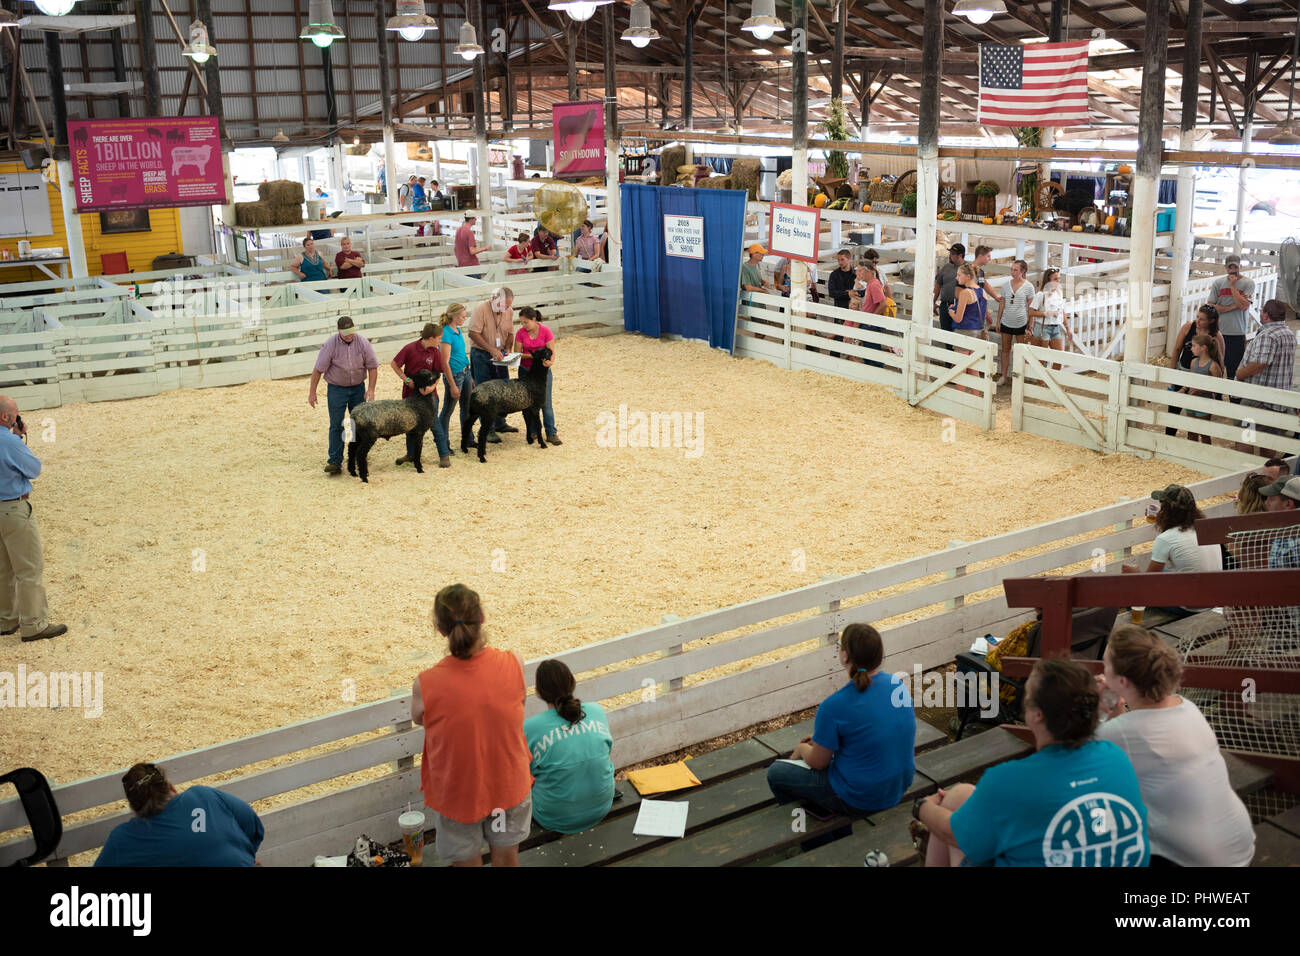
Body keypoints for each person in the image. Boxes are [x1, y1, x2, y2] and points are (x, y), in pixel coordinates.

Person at [915, 658, 1148, 867]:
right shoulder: (1116, 757)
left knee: (956, 819)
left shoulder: (1009, 780)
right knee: (961, 795)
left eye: (1027, 696)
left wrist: (922, 807)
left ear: (1036, 715)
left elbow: (953, 834)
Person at [1095, 626, 1254, 867]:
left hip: (1196, 861)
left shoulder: (1121, 733)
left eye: (1105, 664)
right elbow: (1134, 736)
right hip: (1238, 845)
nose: (1102, 670)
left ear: (1122, 680)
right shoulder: (1186, 707)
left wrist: (1099, 711)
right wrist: (1117, 708)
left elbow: (1078, 757)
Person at [411, 584, 533, 867]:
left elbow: (420, 717)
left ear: (440, 630)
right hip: (508, 788)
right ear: (482, 617)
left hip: (458, 795)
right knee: (506, 861)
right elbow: (517, 703)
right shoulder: (514, 663)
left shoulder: (426, 684)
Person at [766, 623, 916, 818]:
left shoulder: (833, 706)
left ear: (844, 655)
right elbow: (871, 730)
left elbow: (818, 763)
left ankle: (816, 836)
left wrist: (802, 750)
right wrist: (823, 739)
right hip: (898, 785)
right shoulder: (897, 684)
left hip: (861, 797)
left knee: (776, 772)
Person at [94, 763, 263, 867]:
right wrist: (244, 857)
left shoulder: (123, 838)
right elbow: (254, 828)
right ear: (171, 788)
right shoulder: (203, 795)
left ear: (134, 807)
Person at [0, 396, 65, 642]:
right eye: (16, 413)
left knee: (2, 569)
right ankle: (34, 624)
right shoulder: (9, 441)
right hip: (13, 509)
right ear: (6, 417)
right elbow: (33, 469)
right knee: (28, 569)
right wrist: (18, 437)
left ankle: (6, 620)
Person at [524, 659, 615, 834]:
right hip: (601, 806)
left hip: (553, 817)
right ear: (572, 683)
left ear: (539, 692)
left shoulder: (530, 728)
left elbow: (524, 777)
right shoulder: (596, 711)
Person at [1121, 484, 1213, 618]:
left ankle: (1135, 625)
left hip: (1190, 607)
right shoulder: (1205, 528)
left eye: (1162, 504)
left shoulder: (1165, 539)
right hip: (1213, 598)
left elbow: (1148, 582)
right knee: (1164, 572)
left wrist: (1136, 574)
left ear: (1167, 509)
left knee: (1133, 586)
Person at [308, 316, 378, 475]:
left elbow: (372, 366)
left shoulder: (363, 342)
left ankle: (356, 456)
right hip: (336, 389)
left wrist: (371, 388)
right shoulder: (330, 345)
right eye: (346, 332)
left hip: (358, 388)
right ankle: (334, 461)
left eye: (351, 331)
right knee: (336, 423)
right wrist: (312, 392)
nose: (349, 335)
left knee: (358, 423)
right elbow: (318, 369)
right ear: (338, 330)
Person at [1235, 299, 1297, 456]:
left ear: (1267, 315)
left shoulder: (1268, 335)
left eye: (1262, 311)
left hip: (1259, 398)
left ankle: (1245, 472)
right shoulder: (1289, 334)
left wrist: (1240, 373)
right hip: (1279, 398)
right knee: (1269, 440)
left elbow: (1261, 363)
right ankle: (1266, 477)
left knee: (1245, 437)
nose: (1261, 314)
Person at [391, 323, 455, 469]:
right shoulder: (410, 348)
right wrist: (406, 379)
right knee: (409, 423)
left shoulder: (436, 352)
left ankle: (444, 455)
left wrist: (431, 388)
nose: (441, 340)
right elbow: (394, 364)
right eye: (439, 338)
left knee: (434, 423)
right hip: (410, 394)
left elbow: (439, 373)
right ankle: (411, 454)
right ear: (431, 338)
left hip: (429, 396)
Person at [1165, 305, 1225, 435]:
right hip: (1182, 372)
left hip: (1201, 377)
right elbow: (1176, 349)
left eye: (1202, 319)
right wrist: (1172, 373)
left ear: (1211, 321)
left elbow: (1220, 360)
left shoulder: (1216, 336)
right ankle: (1169, 437)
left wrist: (1216, 389)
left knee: (1196, 414)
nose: (1197, 321)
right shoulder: (1188, 327)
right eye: (1197, 317)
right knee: (1174, 409)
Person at [467, 288, 517, 442]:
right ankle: (487, 429)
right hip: (481, 353)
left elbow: (510, 333)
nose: (505, 309)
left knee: (502, 388)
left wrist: (508, 348)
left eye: (508, 306)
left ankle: (500, 423)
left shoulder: (509, 311)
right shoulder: (481, 309)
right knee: (485, 391)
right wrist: (491, 349)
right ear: (495, 299)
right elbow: (472, 333)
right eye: (503, 305)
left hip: (500, 355)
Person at [515, 306, 560, 445]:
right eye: (521, 323)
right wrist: (535, 357)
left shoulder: (546, 331)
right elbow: (517, 353)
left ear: (534, 319)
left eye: (526, 322)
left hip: (542, 372)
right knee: (528, 402)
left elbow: (551, 352)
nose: (524, 325)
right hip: (525, 371)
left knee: (545, 402)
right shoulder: (520, 333)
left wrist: (549, 362)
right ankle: (532, 431)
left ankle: (551, 433)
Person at [1208, 254, 1254, 379]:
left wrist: (1232, 286)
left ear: (1241, 266)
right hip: (1219, 332)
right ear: (1225, 268)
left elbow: (1244, 306)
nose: (1233, 270)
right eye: (1230, 267)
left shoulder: (1248, 283)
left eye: (1236, 267)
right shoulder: (1218, 283)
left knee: (1234, 368)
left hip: (1237, 333)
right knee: (1215, 366)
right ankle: (1216, 395)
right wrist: (1233, 307)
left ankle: (1233, 397)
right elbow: (1211, 307)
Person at [1175, 334, 1223, 445]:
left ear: (1203, 348)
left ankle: (1206, 454)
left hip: (1205, 402)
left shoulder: (1213, 366)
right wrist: (1183, 389)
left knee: (1204, 432)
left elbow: (1218, 388)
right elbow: (1191, 380)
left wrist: (1200, 390)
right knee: (1191, 431)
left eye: (1194, 346)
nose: (1191, 348)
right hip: (1192, 401)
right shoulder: (1193, 362)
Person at [438, 303, 474, 451]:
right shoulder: (446, 333)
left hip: (465, 372)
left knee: (467, 408)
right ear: (453, 316)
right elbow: (444, 362)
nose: (464, 319)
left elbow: (460, 353)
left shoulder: (457, 330)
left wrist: (469, 375)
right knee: (448, 410)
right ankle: (443, 444)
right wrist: (452, 384)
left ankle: (468, 440)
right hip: (455, 375)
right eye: (462, 316)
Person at [993, 259, 1033, 386]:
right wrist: (998, 321)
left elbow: (1031, 308)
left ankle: (1020, 377)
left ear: (1023, 271)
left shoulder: (1029, 287)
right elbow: (1002, 304)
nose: (1013, 272)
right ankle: (1004, 376)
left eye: (1015, 270)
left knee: (1021, 351)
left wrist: (1030, 326)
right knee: (1005, 349)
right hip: (1006, 321)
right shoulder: (1005, 286)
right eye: (1012, 269)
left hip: (1022, 322)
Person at [1027, 268, 1072, 369]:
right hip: (1042, 328)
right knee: (1041, 359)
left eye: (1059, 279)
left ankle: (1052, 381)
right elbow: (1030, 312)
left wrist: (1068, 328)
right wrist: (1046, 314)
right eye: (1055, 279)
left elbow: (1062, 311)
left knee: (1059, 358)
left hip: (1055, 328)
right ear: (1048, 280)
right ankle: (1041, 382)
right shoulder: (1040, 295)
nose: (1058, 281)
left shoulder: (1058, 294)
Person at [932, 243, 965, 333]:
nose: (950, 256)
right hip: (945, 305)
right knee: (945, 333)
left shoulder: (967, 269)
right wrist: (933, 302)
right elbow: (938, 285)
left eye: (953, 254)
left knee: (958, 333)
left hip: (960, 306)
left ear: (960, 255)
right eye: (950, 253)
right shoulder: (946, 267)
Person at [972, 244, 1004, 326]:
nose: (990, 259)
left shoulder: (980, 271)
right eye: (988, 256)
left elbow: (984, 284)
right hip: (972, 311)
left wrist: (995, 297)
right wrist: (986, 312)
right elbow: (974, 294)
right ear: (980, 256)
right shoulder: (970, 271)